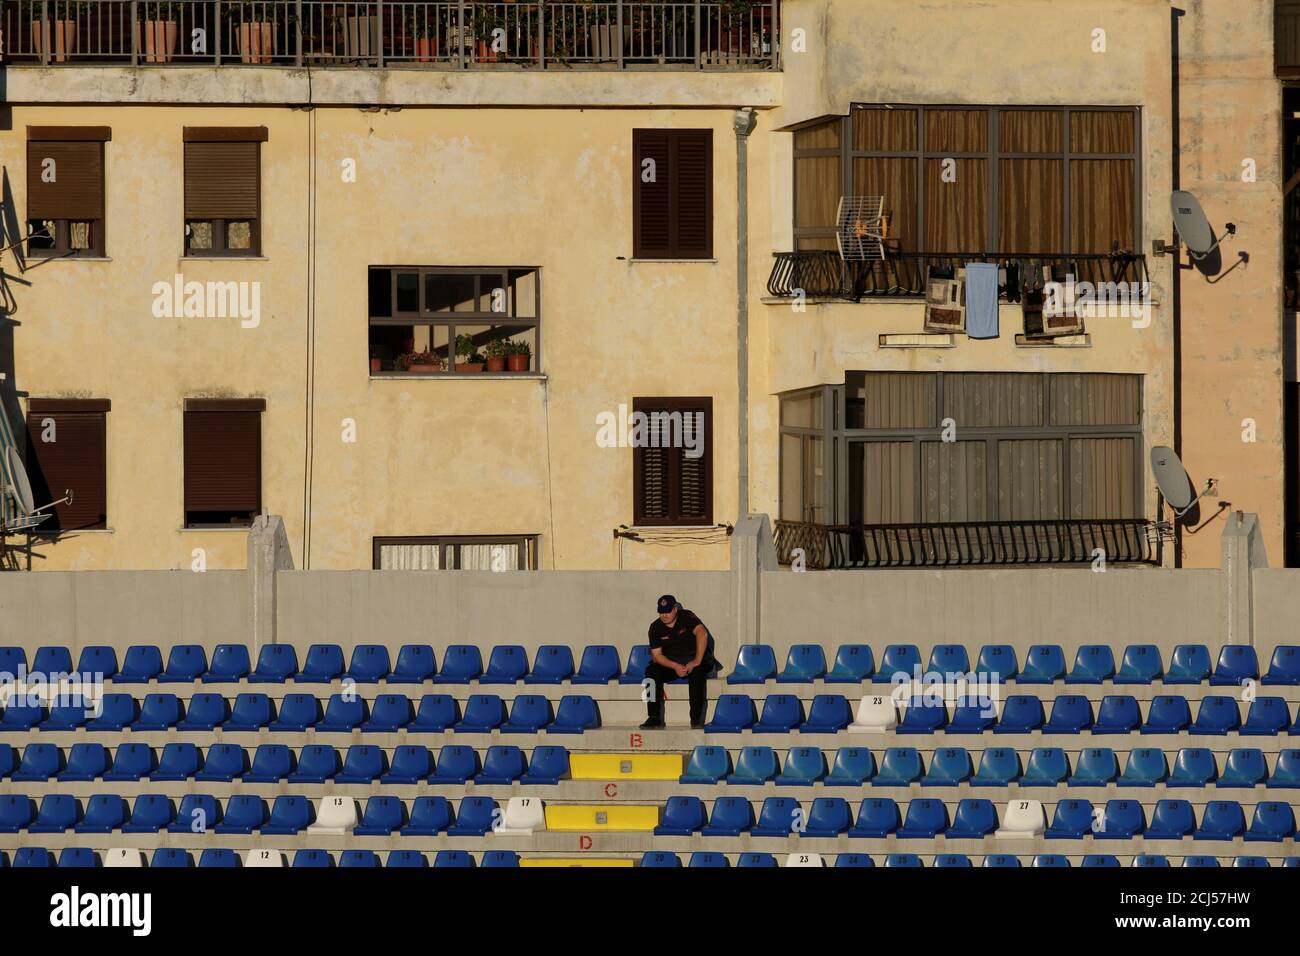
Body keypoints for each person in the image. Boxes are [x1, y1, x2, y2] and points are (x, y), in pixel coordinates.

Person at [641, 594, 715, 730]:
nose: (664, 615)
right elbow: (657, 655)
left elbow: (702, 633)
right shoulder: (655, 627)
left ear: (675, 609)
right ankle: (653, 717)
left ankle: (696, 719)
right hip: (673, 663)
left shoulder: (687, 616)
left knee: (697, 674)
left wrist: (696, 661)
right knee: (650, 673)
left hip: (695, 659)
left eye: (668, 611)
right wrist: (674, 666)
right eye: (661, 612)